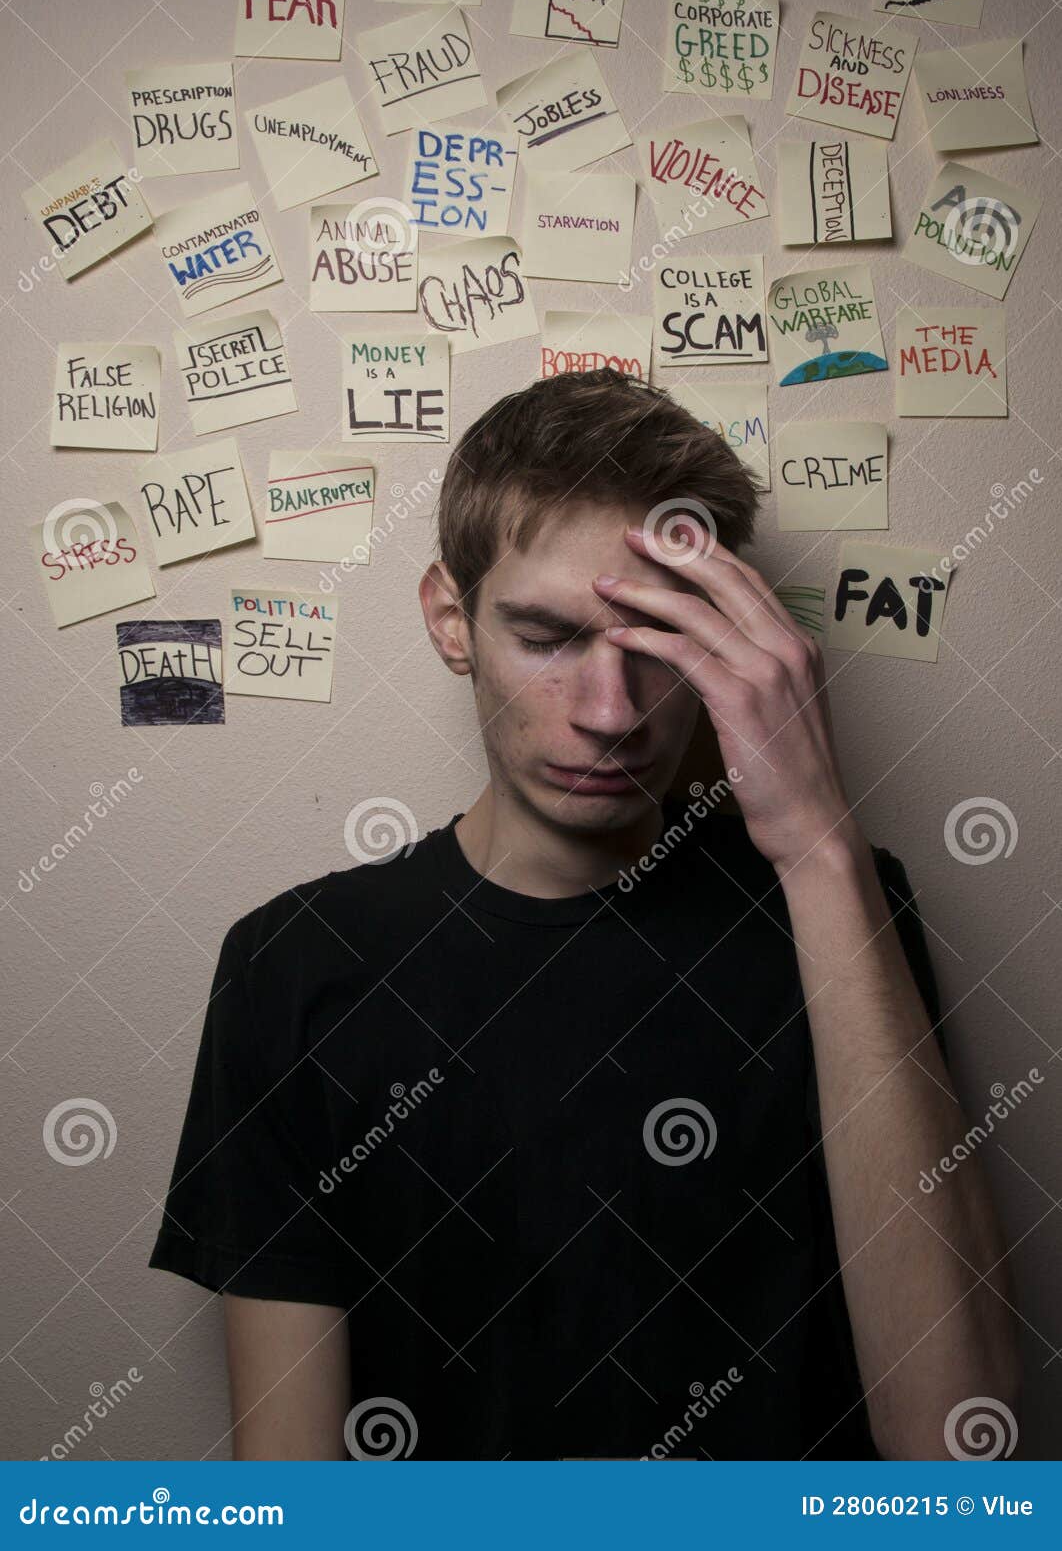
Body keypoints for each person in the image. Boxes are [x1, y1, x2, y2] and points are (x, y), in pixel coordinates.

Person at [149, 369, 1019, 1460]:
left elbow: (963, 1454)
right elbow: (290, 1498)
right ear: (450, 619)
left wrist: (817, 845)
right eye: (549, 636)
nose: (610, 714)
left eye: (658, 646)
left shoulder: (841, 901)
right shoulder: (294, 966)